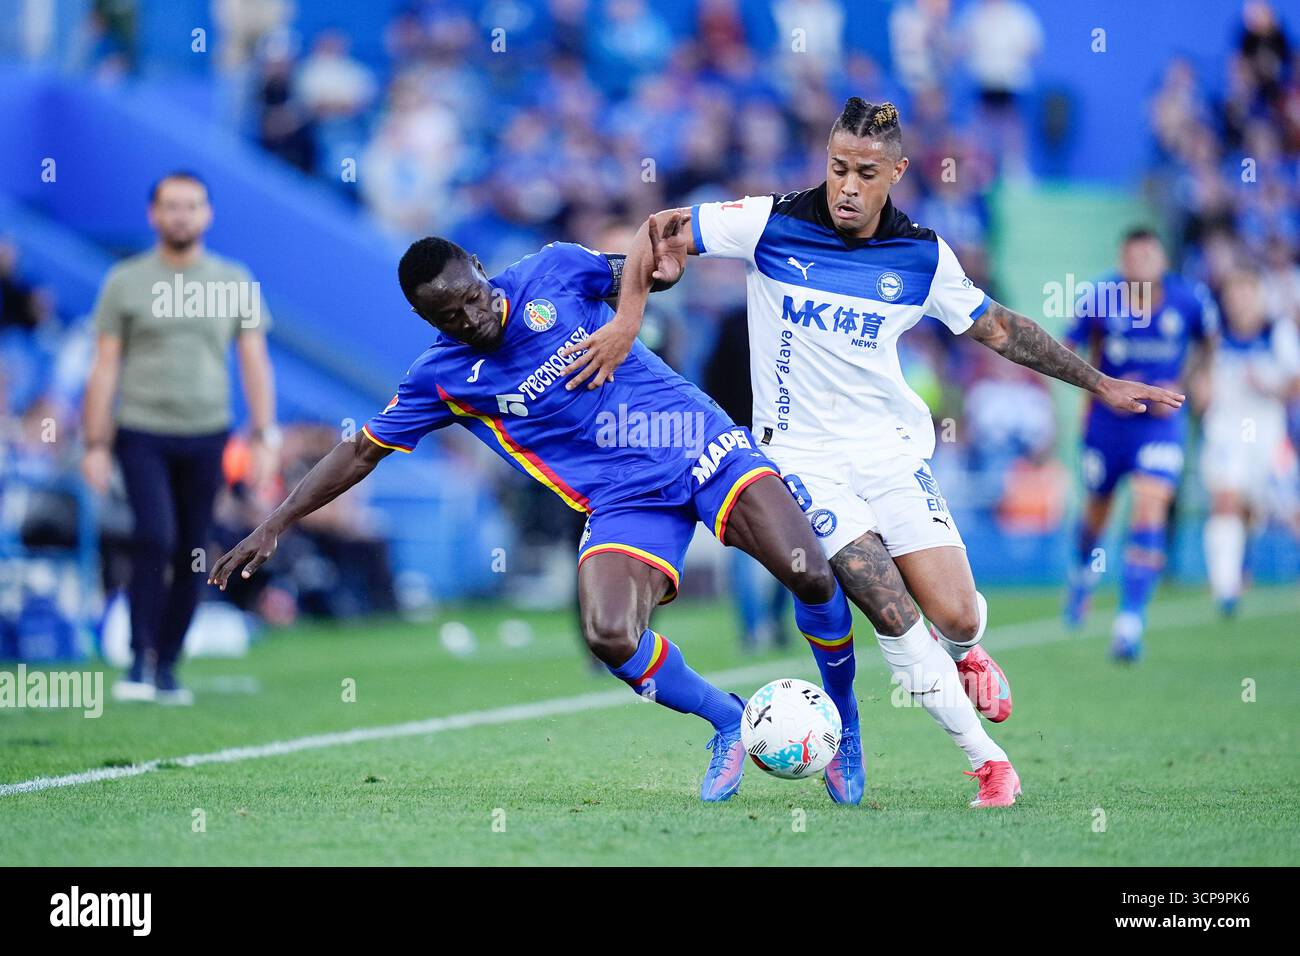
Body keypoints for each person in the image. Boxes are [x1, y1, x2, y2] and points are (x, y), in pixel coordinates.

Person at [565, 99, 1184, 807]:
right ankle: (984, 762)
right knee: (885, 603)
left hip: (890, 453)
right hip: (799, 458)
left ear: (896, 172)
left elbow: (1001, 329)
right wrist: (627, 322)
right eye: (837, 169)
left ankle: (967, 648)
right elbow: (658, 229)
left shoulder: (922, 256)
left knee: (953, 613)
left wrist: (1099, 381)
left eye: (865, 172)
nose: (848, 187)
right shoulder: (769, 223)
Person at [210, 217, 869, 805]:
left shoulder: (552, 269)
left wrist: (641, 298)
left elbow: (639, 266)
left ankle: (843, 727)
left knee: (809, 573)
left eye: (472, 295)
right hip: (622, 500)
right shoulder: (441, 378)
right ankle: (727, 720)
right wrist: (275, 521)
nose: (472, 317)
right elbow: (359, 453)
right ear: (430, 323)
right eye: (450, 317)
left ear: (477, 264)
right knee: (609, 634)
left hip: (696, 443)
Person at [82, 171, 279, 704]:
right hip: (142, 431)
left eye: (191, 206)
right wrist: (95, 443)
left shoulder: (234, 279)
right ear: (153, 214)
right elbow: (104, 365)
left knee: (195, 549)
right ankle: (137, 662)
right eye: (170, 206)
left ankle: (167, 665)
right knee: (155, 538)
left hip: (207, 433)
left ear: (207, 214)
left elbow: (254, 360)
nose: (181, 215)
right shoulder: (125, 280)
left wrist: (263, 434)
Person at [1063, 229, 1216, 660]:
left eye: (1150, 255)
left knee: (1149, 507)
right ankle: (1082, 576)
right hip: (1108, 425)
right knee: (1098, 511)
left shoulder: (1189, 299)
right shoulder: (1100, 297)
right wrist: (1093, 388)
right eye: (1134, 257)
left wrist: (1191, 382)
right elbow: (1069, 346)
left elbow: (1208, 344)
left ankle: (1130, 621)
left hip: (1160, 425)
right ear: (1122, 261)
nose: (1142, 264)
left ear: (1162, 258)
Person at [1200, 266, 1300, 613]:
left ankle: (1243, 564)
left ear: (1258, 297)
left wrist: (1269, 386)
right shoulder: (1215, 334)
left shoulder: (1277, 332)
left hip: (1267, 431)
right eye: (1233, 296)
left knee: (1284, 507)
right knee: (1226, 497)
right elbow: (1200, 381)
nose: (1239, 303)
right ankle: (1225, 588)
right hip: (1226, 429)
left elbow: (1295, 382)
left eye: (1245, 295)